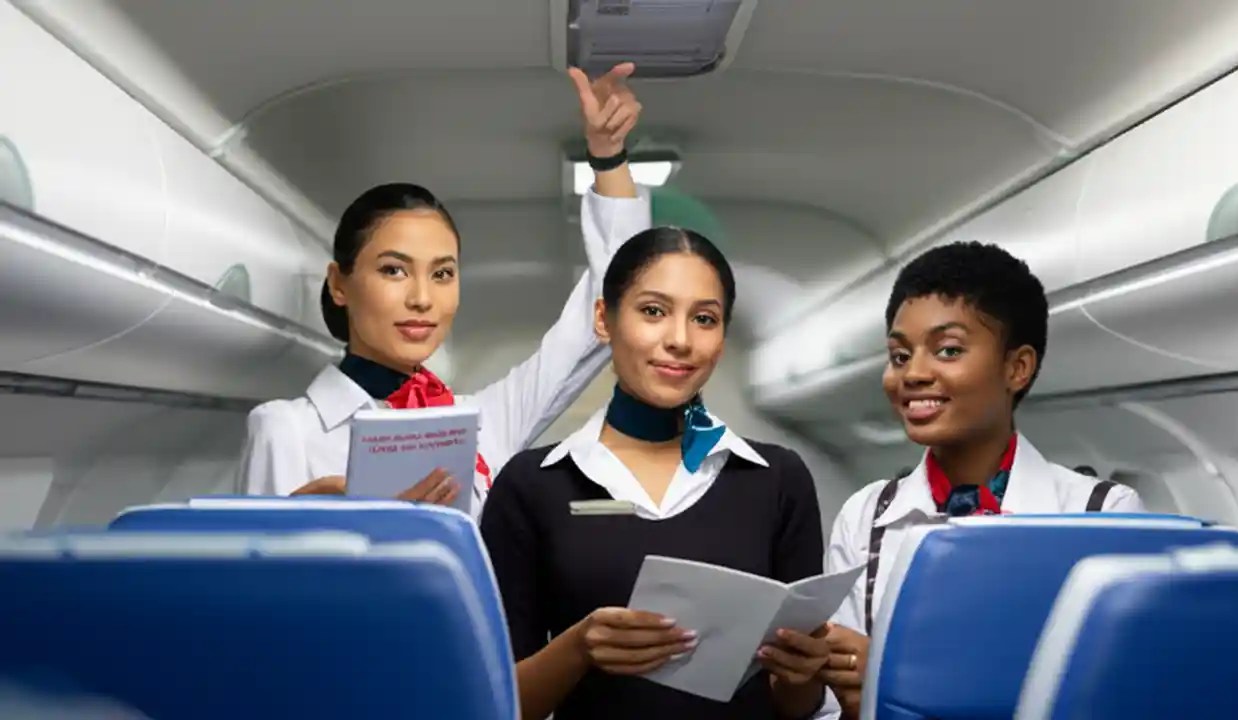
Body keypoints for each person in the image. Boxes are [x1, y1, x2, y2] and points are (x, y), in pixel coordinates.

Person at [237, 63, 650, 514]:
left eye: (442, 274)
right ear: (340, 284)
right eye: (394, 270)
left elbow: (614, 297)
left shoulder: (479, 423)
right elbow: (257, 582)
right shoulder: (287, 429)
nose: (422, 298)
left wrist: (608, 156)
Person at [479, 227, 831, 719]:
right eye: (653, 311)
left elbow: (796, 706)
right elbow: (498, 704)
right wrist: (578, 648)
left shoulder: (778, 480)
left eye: (704, 319)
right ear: (604, 319)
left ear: (722, 337)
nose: (680, 340)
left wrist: (805, 674)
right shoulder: (532, 485)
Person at [815, 241, 1146, 719]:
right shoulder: (866, 517)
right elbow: (830, 710)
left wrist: (897, 687)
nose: (914, 373)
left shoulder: (1103, 514)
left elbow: (1115, 701)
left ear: (1017, 367)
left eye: (947, 350)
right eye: (900, 355)